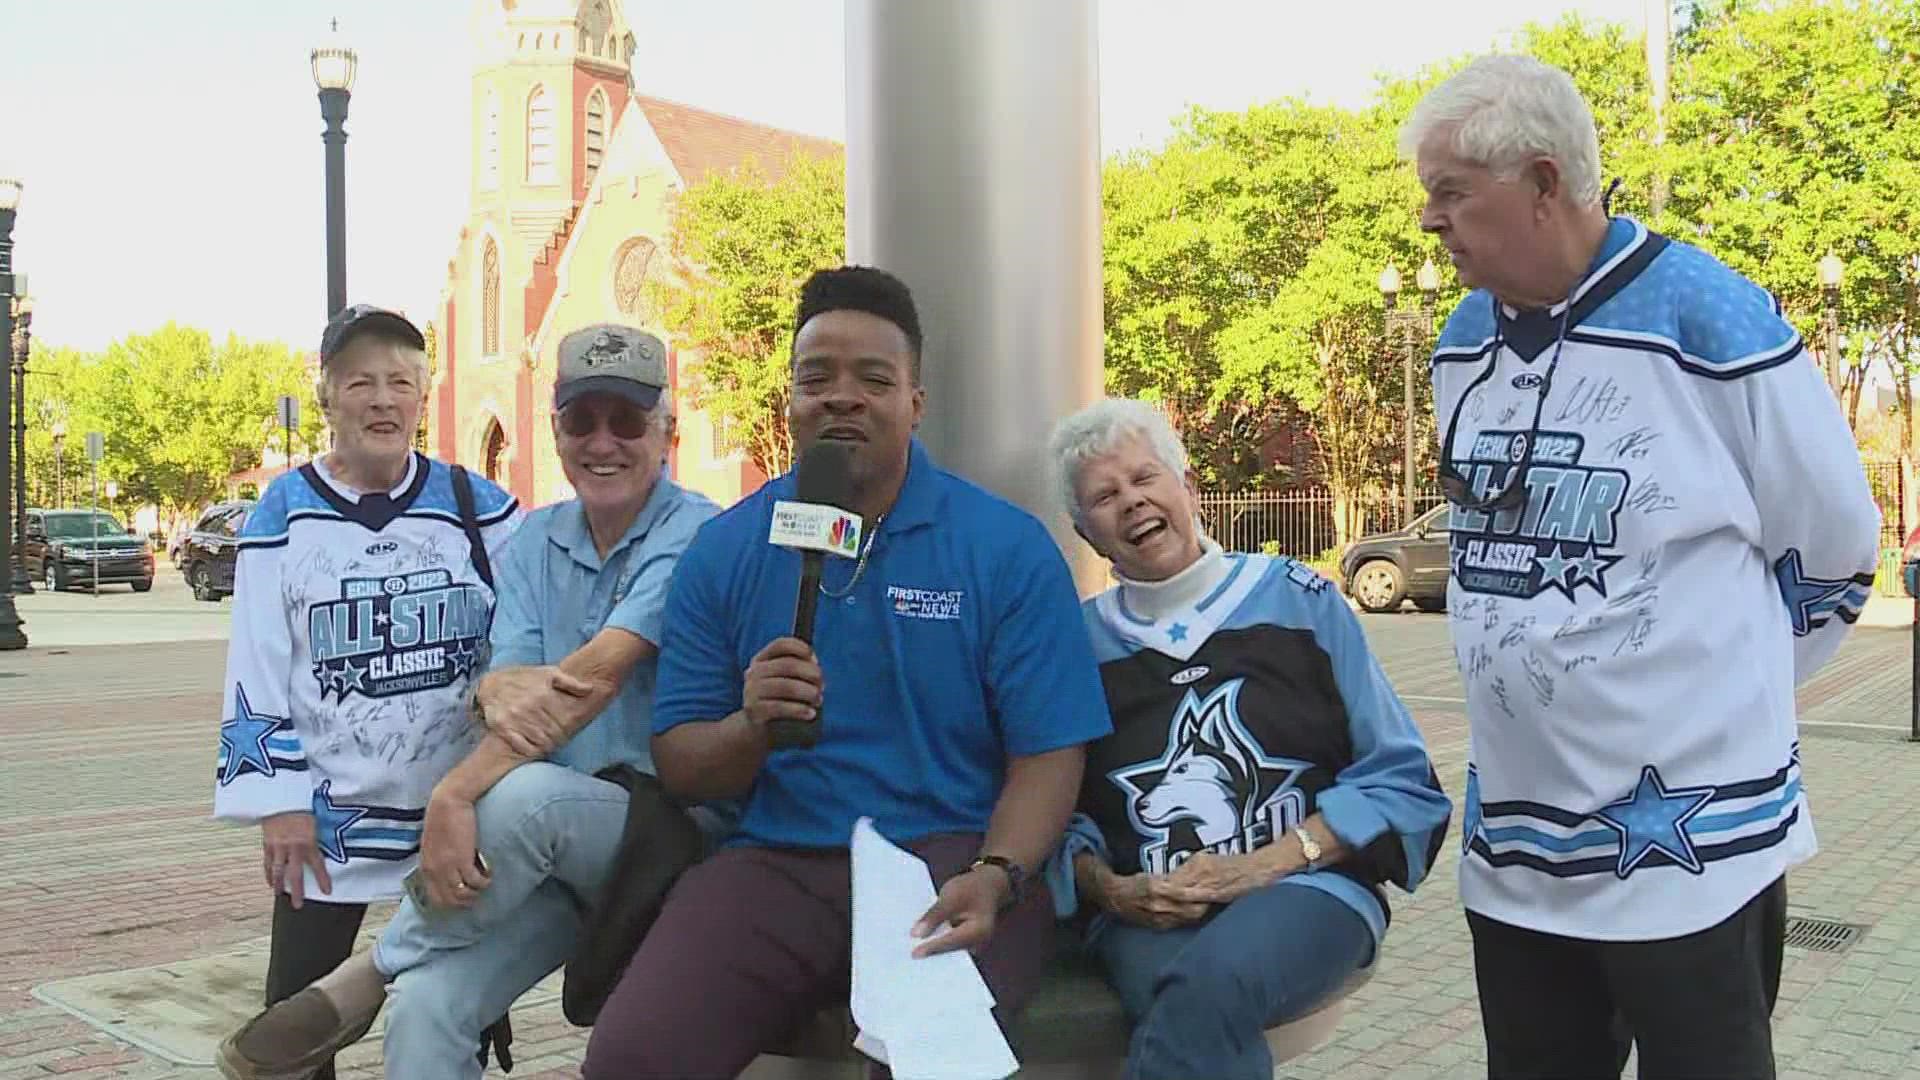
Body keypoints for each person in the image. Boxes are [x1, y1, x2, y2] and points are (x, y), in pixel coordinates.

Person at [1404, 56, 1882, 1080]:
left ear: (1541, 183)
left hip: (1690, 840)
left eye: (1449, 192)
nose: (1429, 222)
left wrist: (1724, 692)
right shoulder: (1460, 340)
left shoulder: (1710, 320)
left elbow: (1834, 546)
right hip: (1521, 838)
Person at [578, 266, 1114, 1078]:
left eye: (874, 379)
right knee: (632, 1058)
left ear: (915, 403)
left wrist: (998, 875)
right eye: (815, 377)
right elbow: (683, 766)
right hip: (780, 860)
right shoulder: (727, 549)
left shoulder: (1004, 547)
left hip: (952, 858)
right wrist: (750, 725)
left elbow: (1050, 753)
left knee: (930, 1062)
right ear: (789, 399)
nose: (842, 398)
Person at [215, 323, 722, 1080]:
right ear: (555, 430)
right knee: (428, 1010)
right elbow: (508, 686)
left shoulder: (694, 531)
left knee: (533, 796)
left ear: (667, 432)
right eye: (583, 420)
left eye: (627, 420)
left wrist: (455, 793)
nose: (603, 441)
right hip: (494, 845)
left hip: (654, 833)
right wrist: (491, 689)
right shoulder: (535, 535)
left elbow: (586, 685)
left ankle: (371, 971)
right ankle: (394, 981)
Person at [1042, 398, 1451, 1080]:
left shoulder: (1300, 602)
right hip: (1151, 911)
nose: (1132, 502)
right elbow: (1056, 813)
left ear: (1189, 486)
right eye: (1105, 496)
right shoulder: (1075, 647)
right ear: (1087, 534)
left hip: (1313, 887)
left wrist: (1267, 864)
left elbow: (1400, 780)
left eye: (1146, 477)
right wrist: (1112, 890)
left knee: (1212, 985)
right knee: (1185, 1003)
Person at [211, 304, 523, 1080]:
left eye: (400, 381)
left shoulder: (475, 505)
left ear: (424, 394)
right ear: (327, 398)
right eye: (360, 382)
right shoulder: (285, 513)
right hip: (328, 823)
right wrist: (277, 803)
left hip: (453, 814)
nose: (382, 399)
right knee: (298, 1019)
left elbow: (528, 636)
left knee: (452, 1007)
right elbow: (258, 663)